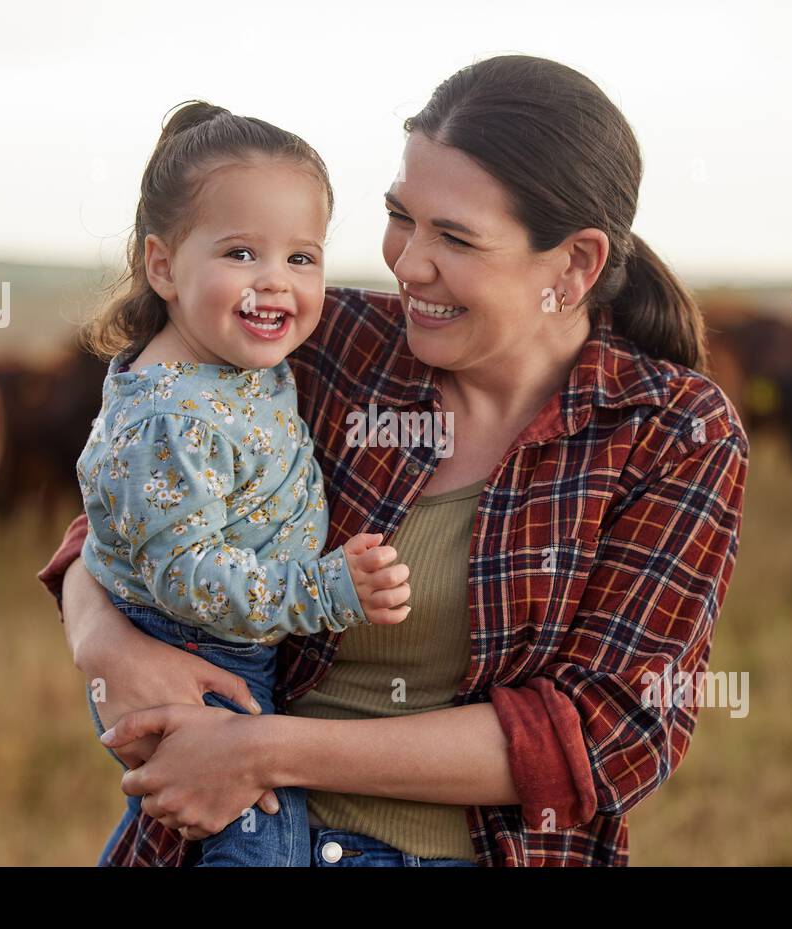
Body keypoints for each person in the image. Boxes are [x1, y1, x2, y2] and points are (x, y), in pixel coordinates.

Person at [39, 54, 749, 867]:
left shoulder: (672, 429)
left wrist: (262, 750)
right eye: (399, 215)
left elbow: (606, 735)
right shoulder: (324, 344)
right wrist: (107, 645)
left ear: (574, 265)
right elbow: (138, 503)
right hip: (213, 835)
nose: (407, 262)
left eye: (454, 236)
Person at [73, 100, 411, 866]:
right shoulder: (170, 414)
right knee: (254, 839)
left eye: (301, 258)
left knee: (212, 826)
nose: (275, 285)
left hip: (232, 647)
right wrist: (327, 591)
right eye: (240, 254)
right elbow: (188, 574)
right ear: (162, 265)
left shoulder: (225, 362)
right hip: (197, 647)